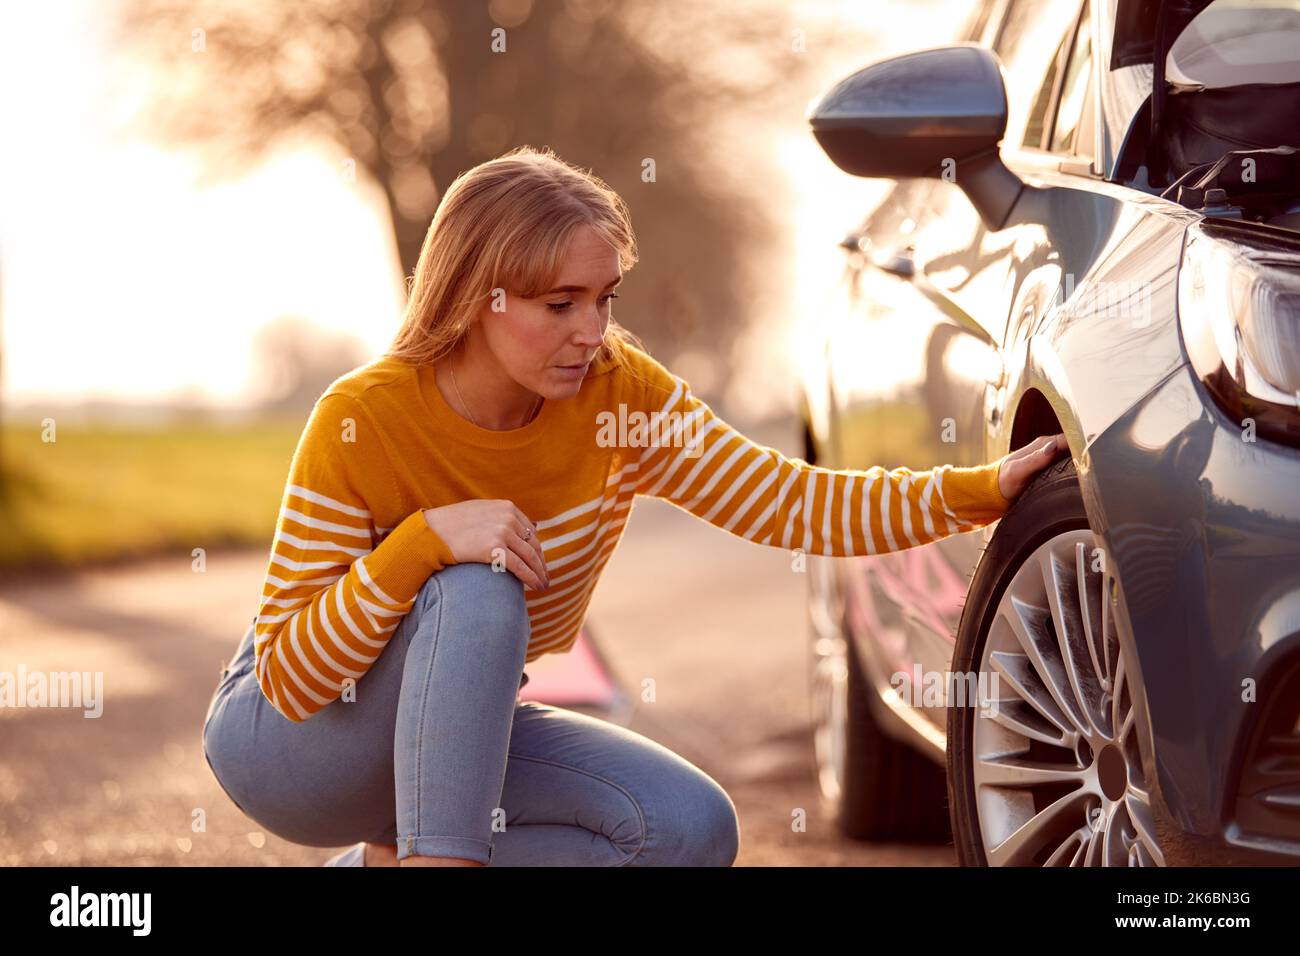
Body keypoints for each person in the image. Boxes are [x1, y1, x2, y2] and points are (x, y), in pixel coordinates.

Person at [200, 145, 1067, 867]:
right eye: (560, 304)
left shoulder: (621, 400)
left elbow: (791, 502)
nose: (592, 331)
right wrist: (421, 545)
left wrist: (980, 491)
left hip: (449, 747)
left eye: (604, 298)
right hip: (294, 747)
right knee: (478, 583)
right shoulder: (366, 418)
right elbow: (292, 675)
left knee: (687, 831)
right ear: (477, 296)